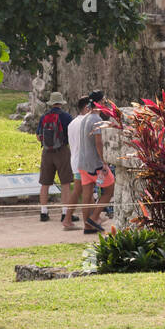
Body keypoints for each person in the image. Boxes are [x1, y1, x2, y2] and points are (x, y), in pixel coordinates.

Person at [76, 93, 116, 235]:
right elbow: (98, 143)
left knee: (86, 196)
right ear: (99, 103)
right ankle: (93, 218)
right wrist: (104, 162)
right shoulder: (96, 119)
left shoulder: (85, 117)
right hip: (95, 164)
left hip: (83, 164)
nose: (105, 105)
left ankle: (87, 226)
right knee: (110, 189)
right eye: (104, 102)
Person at [36, 92, 76, 224]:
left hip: (47, 152)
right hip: (62, 151)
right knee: (65, 183)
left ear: (51, 103)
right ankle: (65, 213)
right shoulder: (66, 117)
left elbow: (38, 136)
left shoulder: (44, 117)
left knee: (45, 183)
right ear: (61, 103)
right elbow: (71, 134)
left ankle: (43, 212)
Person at [64, 95, 92, 226]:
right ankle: (89, 220)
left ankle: (68, 218)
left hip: (75, 160)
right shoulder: (87, 122)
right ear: (87, 107)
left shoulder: (72, 123)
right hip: (85, 161)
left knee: (78, 190)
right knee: (87, 191)